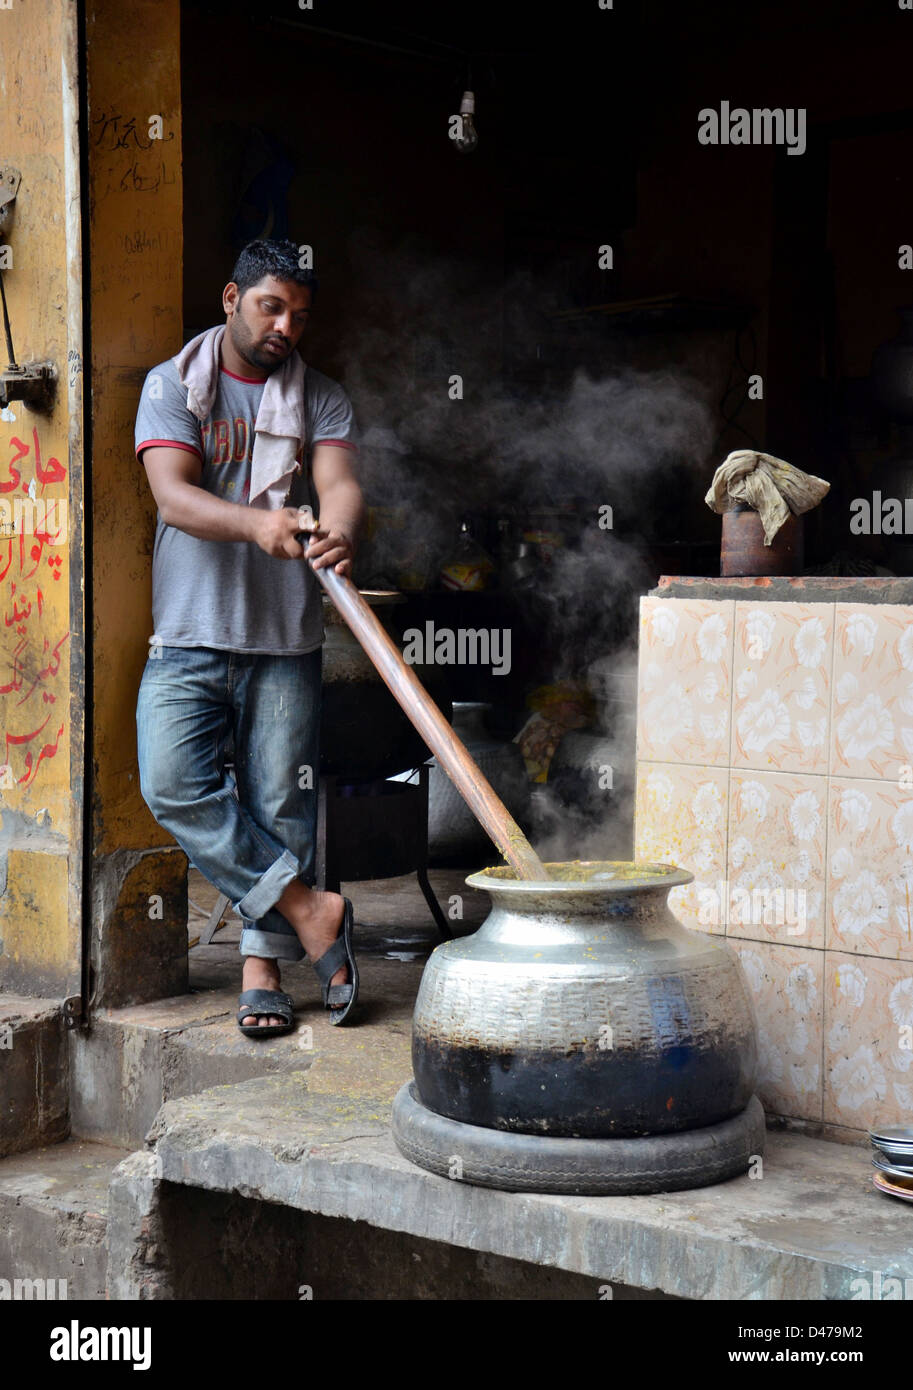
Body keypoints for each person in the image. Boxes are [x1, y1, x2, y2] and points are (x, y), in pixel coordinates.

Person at [134, 238, 364, 1032]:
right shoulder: (173, 384)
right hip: (189, 632)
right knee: (170, 783)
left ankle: (261, 970)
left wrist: (334, 528)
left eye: (299, 316)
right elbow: (173, 498)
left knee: (278, 807)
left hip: (283, 638)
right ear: (231, 299)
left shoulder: (322, 397)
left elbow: (337, 482)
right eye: (271, 306)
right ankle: (310, 908)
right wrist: (257, 524)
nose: (285, 328)